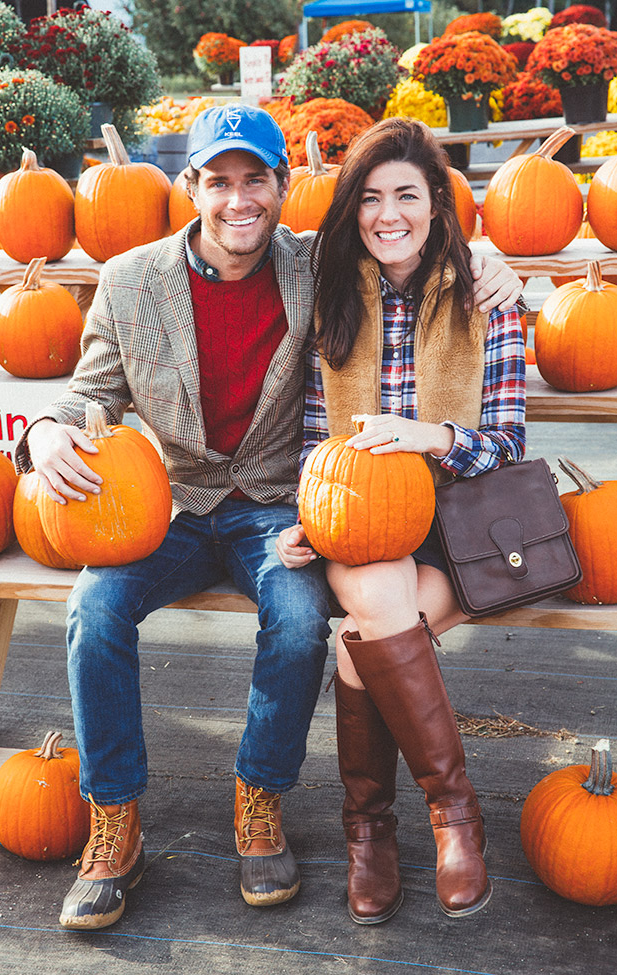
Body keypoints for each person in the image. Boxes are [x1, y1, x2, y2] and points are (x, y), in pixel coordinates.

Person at [15, 105, 523, 931]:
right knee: (93, 609)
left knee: (297, 618)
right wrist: (42, 432)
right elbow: (87, 392)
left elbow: (417, 248)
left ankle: (263, 801)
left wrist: (497, 263)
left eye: (256, 179)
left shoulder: (315, 268)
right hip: (171, 506)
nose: (238, 199)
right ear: (192, 188)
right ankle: (114, 819)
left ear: (285, 188)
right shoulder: (132, 280)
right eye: (219, 181)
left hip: (275, 509)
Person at [276, 117, 526, 926]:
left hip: (458, 529)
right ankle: (454, 815)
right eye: (372, 197)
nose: (389, 214)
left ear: (438, 204)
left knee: (366, 635)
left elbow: (509, 444)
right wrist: (308, 520)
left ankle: (370, 832)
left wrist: (431, 437)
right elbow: (319, 443)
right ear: (352, 208)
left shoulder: (487, 295)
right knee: (377, 588)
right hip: (362, 526)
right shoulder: (333, 299)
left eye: (408, 196)